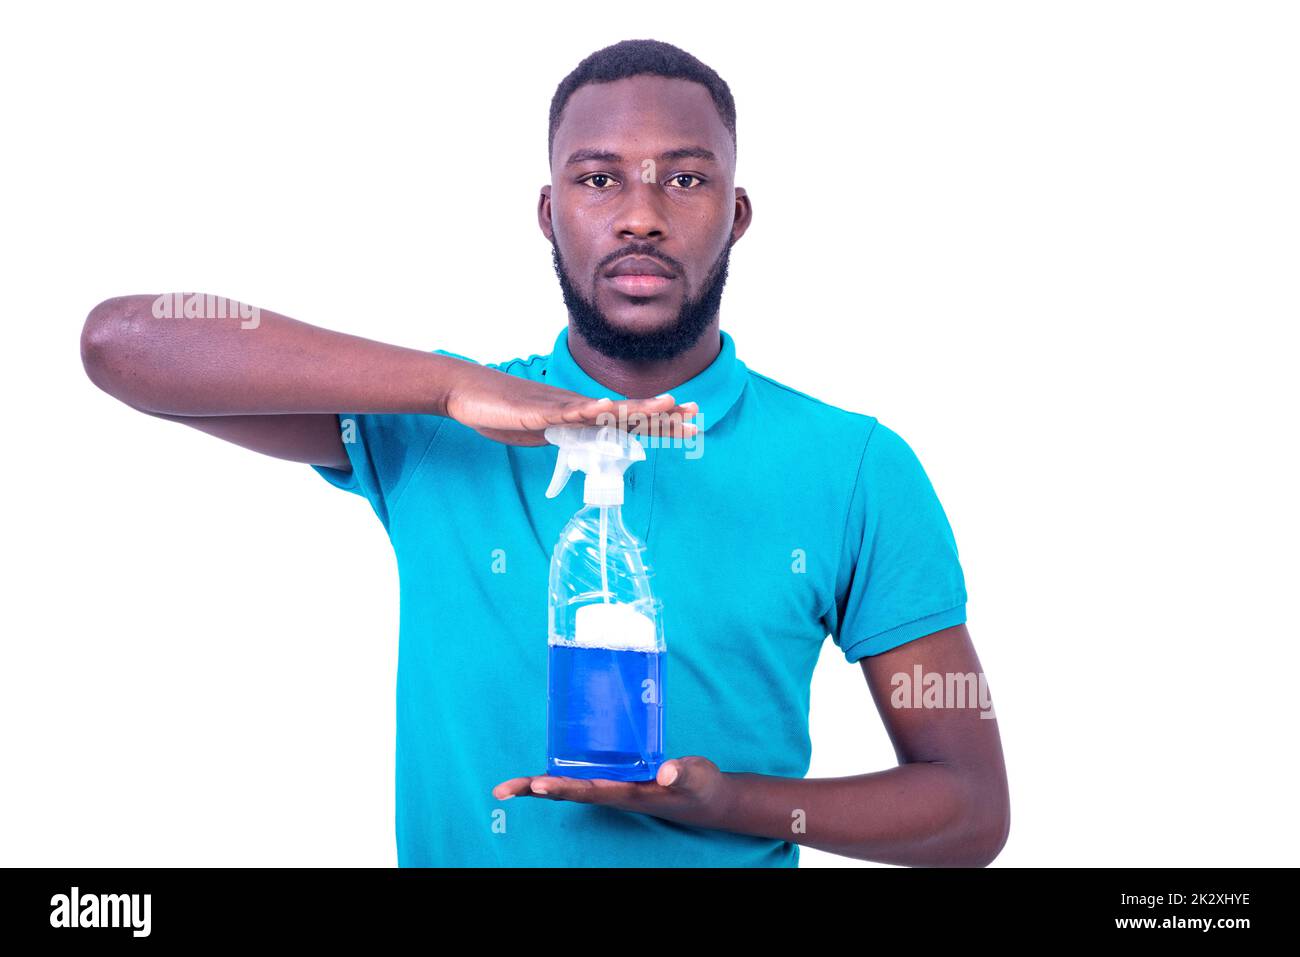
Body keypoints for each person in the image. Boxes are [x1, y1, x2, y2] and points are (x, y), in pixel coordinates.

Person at [80, 38, 1009, 867]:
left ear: (736, 214)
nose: (640, 215)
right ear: (546, 209)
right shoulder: (437, 425)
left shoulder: (854, 467)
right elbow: (123, 344)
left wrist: (729, 801)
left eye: (683, 179)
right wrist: (442, 386)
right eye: (598, 178)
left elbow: (969, 809)